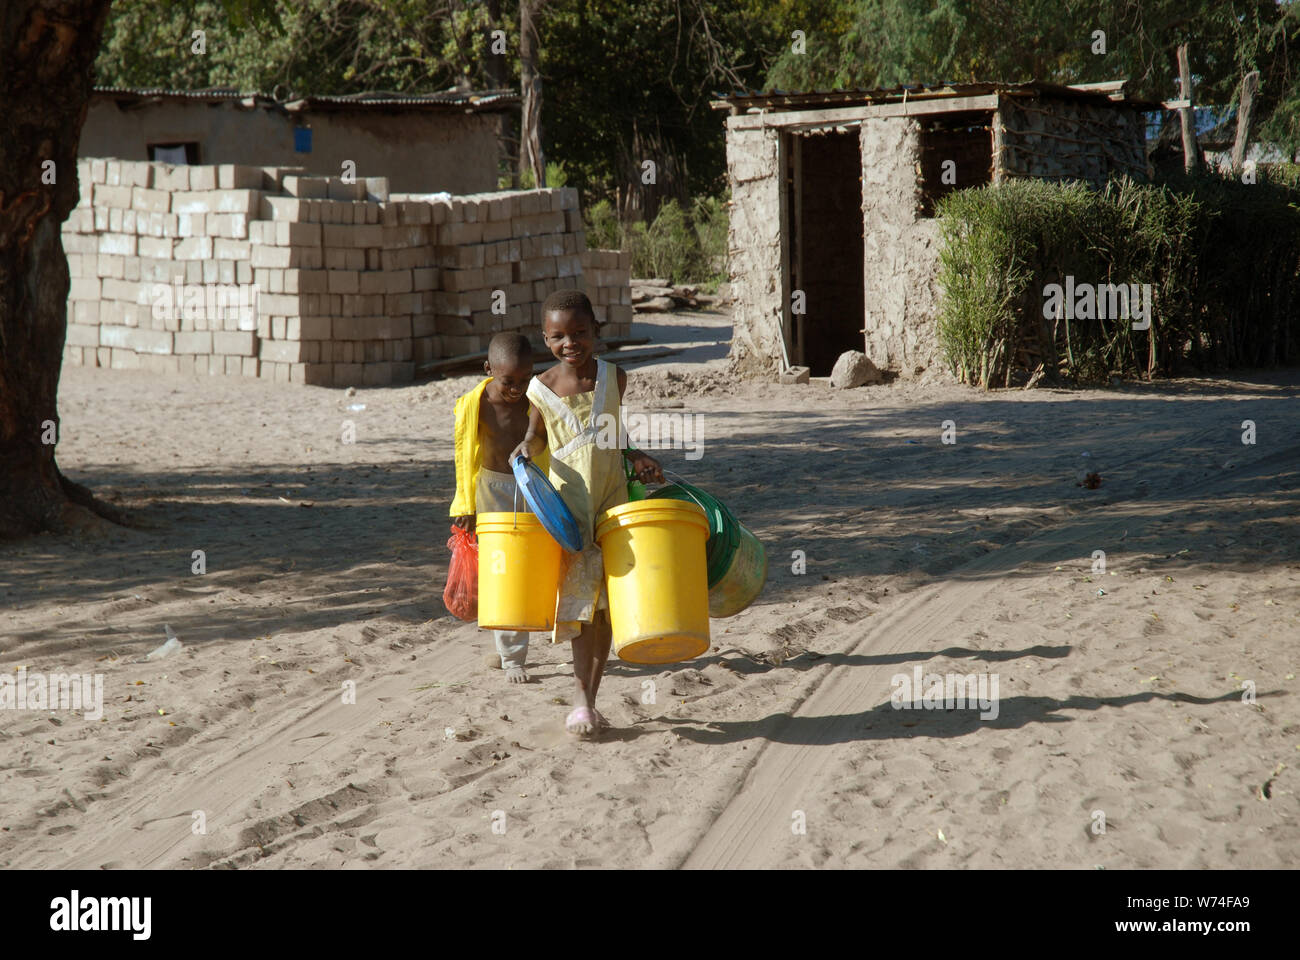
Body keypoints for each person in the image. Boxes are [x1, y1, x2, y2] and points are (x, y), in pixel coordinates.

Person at [510, 290, 663, 737]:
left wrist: (636, 456)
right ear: (545, 338)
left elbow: (616, 434)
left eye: (579, 333)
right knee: (582, 609)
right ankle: (581, 702)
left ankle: (591, 699)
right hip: (570, 515)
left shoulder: (615, 378)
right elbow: (537, 437)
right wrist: (526, 447)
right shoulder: (540, 388)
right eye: (559, 336)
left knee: (609, 608)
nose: (570, 343)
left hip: (614, 506)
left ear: (596, 332)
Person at [450, 332, 548, 683]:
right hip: (490, 491)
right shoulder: (474, 405)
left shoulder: (538, 400)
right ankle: (511, 656)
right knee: (501, 573)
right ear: (488, 369)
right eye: (508, 380)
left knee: (534, 566)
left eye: (525, 379)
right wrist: (466, 504)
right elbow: (464, 457)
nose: (517, 388)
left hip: (533, 488)